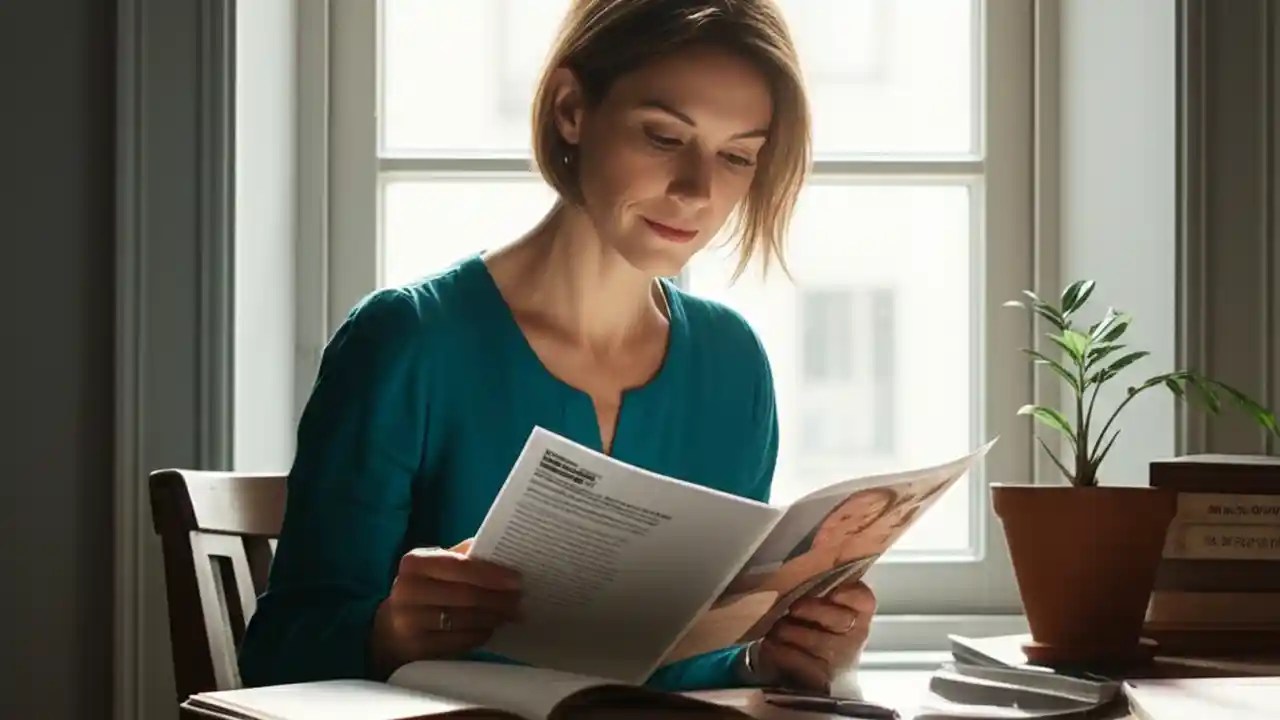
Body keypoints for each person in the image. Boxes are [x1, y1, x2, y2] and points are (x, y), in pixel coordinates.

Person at [239, 0, 876, 694]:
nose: (698, 191)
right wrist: (388, 630)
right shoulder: (406, 341)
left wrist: (770, 658)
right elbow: (276, 659)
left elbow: (676, 666)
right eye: (665, 138)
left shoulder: (733, 364)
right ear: (572, 109)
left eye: (735, 156)